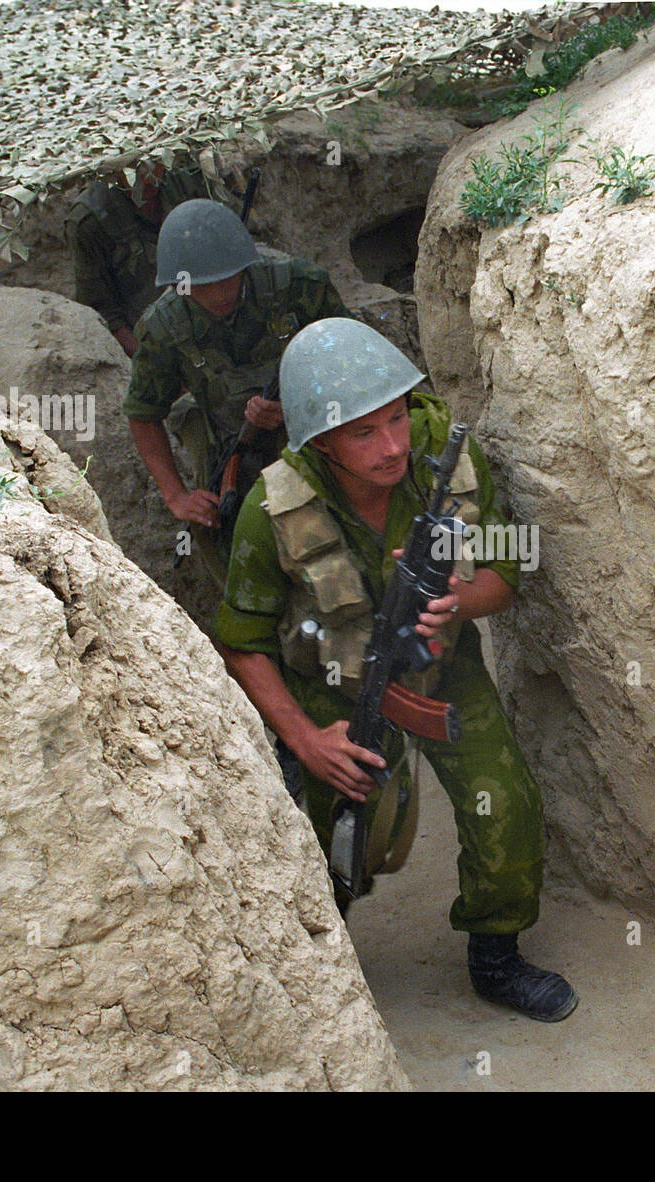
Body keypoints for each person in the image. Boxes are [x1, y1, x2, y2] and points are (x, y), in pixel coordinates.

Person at [214, 317, 578, 1022]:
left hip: (444, 676)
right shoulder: (270, 507)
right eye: (363, 433)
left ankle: (495, 955)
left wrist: (457, 602)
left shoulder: (451, 462)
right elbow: (241, 641)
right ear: (319, 441)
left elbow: (507, 575)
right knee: (334, 836)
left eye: (397, 419)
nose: (392, 446)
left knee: (504, 803)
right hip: (331, 690)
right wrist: (305, 739)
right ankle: (320, 965)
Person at [122, 198, 349, 585]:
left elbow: (351, 358)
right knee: (224, 535)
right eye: (202, 285)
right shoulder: (163, 328)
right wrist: (176, 496)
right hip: (230, 441)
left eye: (229, 277)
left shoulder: (298, 286)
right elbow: (143, 413)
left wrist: (298, 404)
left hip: (320, 426)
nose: (220, 292)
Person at [66, 160, 218, 358]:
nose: (148, 177)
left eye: (155, 163)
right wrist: (154, 363)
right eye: (135, 168)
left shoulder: (186, 181)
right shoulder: (90, 220)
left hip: (206, 320)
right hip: (146, 341)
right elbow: (102, 316)